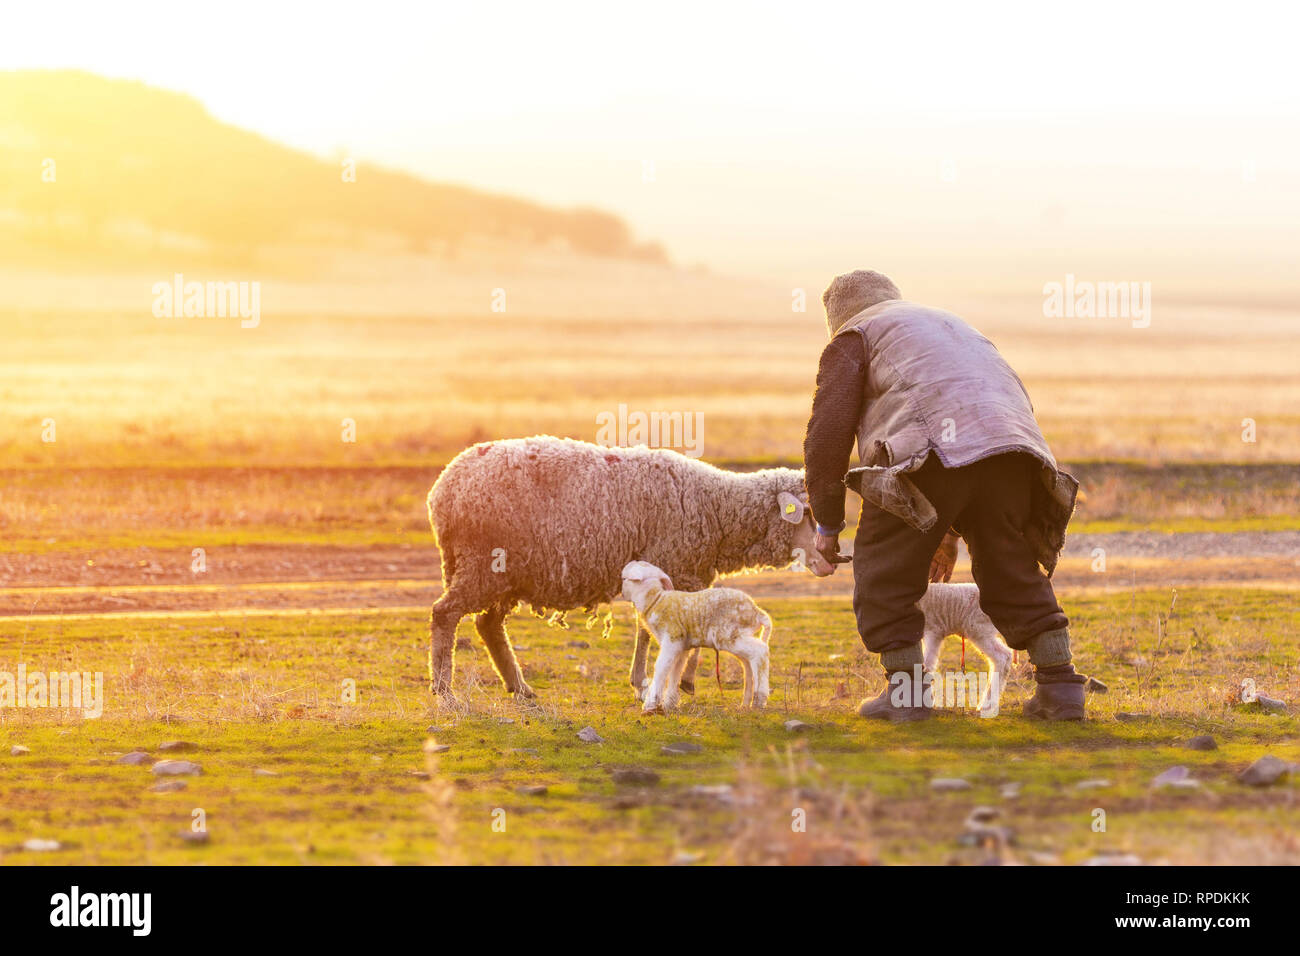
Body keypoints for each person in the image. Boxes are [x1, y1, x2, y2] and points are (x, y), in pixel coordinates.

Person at [803, 270, 1086, 722]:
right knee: (1010, 563)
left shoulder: (854, 335)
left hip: (926, 451)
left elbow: (827, 436)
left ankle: (906, 694)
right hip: (1014, 450)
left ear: (836, 317)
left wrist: (827, 525)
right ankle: (1061, 687)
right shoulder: (947, 324)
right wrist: (950, 529)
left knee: (884, 567)